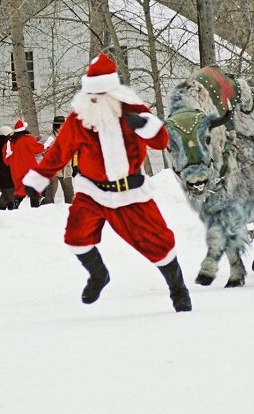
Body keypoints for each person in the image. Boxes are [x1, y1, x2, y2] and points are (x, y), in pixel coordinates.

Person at [22, 53, 191, 312]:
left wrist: (145, 126)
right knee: (76, 236)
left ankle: (178, 289)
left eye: (101, 95)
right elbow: (60, 151)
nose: (95, 101)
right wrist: (39, 178)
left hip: (131, 193)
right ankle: (99, 275)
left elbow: (161, 142)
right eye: (91, 95)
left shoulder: (134, 110)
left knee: (159, 243)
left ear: (114, 93)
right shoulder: (80, 119)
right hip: (93, 192)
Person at [5, 118, 45, 207]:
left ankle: (16, 203)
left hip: (16, 170)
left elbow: (7, 158)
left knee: (20, 189)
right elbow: (37, 149)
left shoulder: (11, 142)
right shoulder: (28, 139)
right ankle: (35, 208)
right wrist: (46, 144)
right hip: (29, 168)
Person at [42, 115, 74, 205]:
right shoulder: (50, 138)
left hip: (66, 169)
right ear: (59, 126)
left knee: (69, 192)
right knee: (51, 191)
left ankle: (69, 210)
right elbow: (41, 151)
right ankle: (46, 209)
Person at [0, 126, 15, 209]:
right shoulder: (5, 143)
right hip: (5, 170)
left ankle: (2, 207)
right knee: (10, 190)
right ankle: (7, 206)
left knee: (5, 191)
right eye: (10, 134)